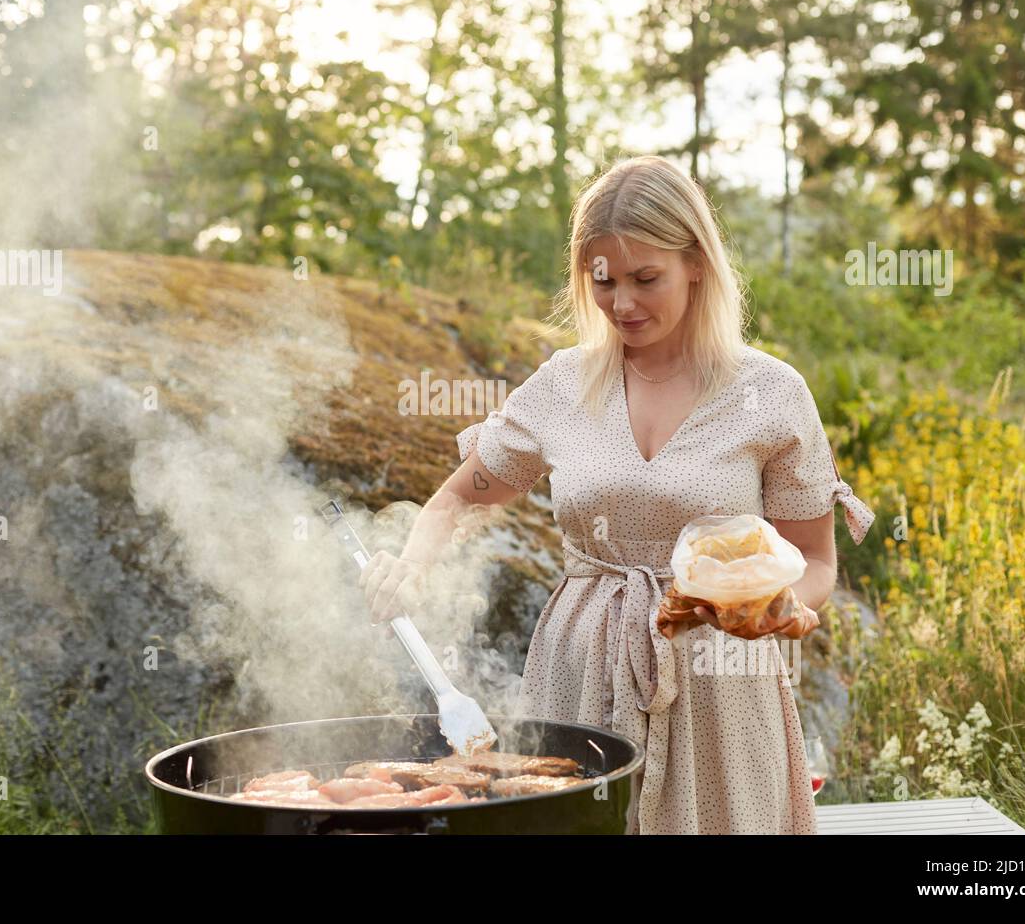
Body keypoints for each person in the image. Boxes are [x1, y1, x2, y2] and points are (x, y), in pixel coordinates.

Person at [360, 154, 875, 834]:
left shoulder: (771, 394)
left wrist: (778, 609)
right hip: (582, 671)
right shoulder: (564, 384)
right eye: (602, 280)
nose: (622, 303)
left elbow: (817, 563)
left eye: (645, 278)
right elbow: (460, 499)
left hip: (720, 674)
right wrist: (412, 564)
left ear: (697, 263)